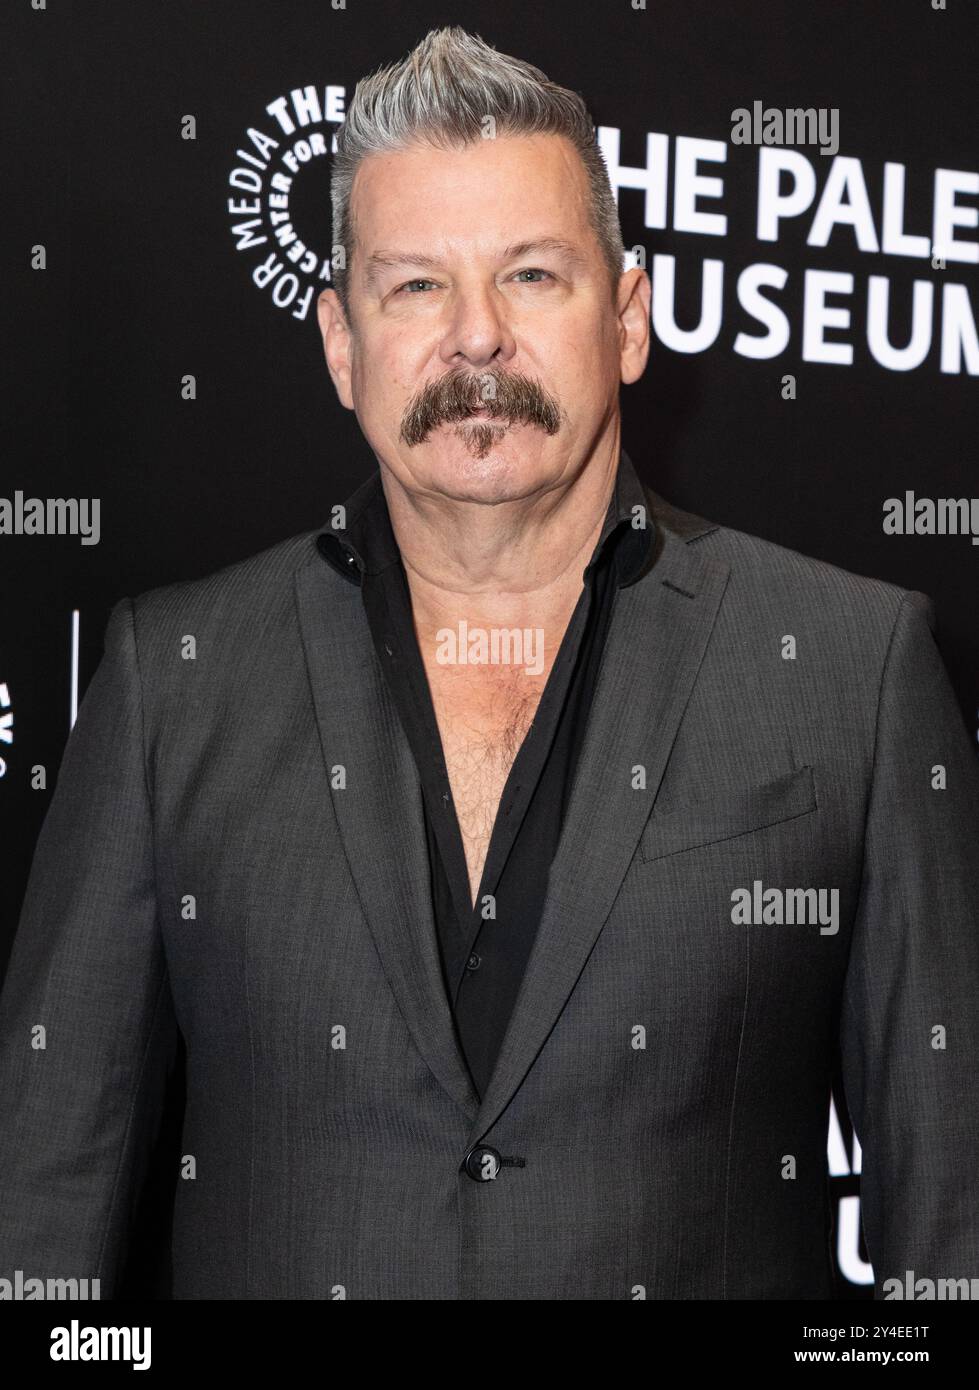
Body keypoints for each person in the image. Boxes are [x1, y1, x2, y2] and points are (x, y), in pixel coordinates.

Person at [1, 25, 977, 1301]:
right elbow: (44, 1218)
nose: (475, 340)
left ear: (626, 319)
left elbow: (951, 1228)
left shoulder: (852, 666)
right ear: (341, 345)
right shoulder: (171, 678)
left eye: (529, 276)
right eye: (414, 286)